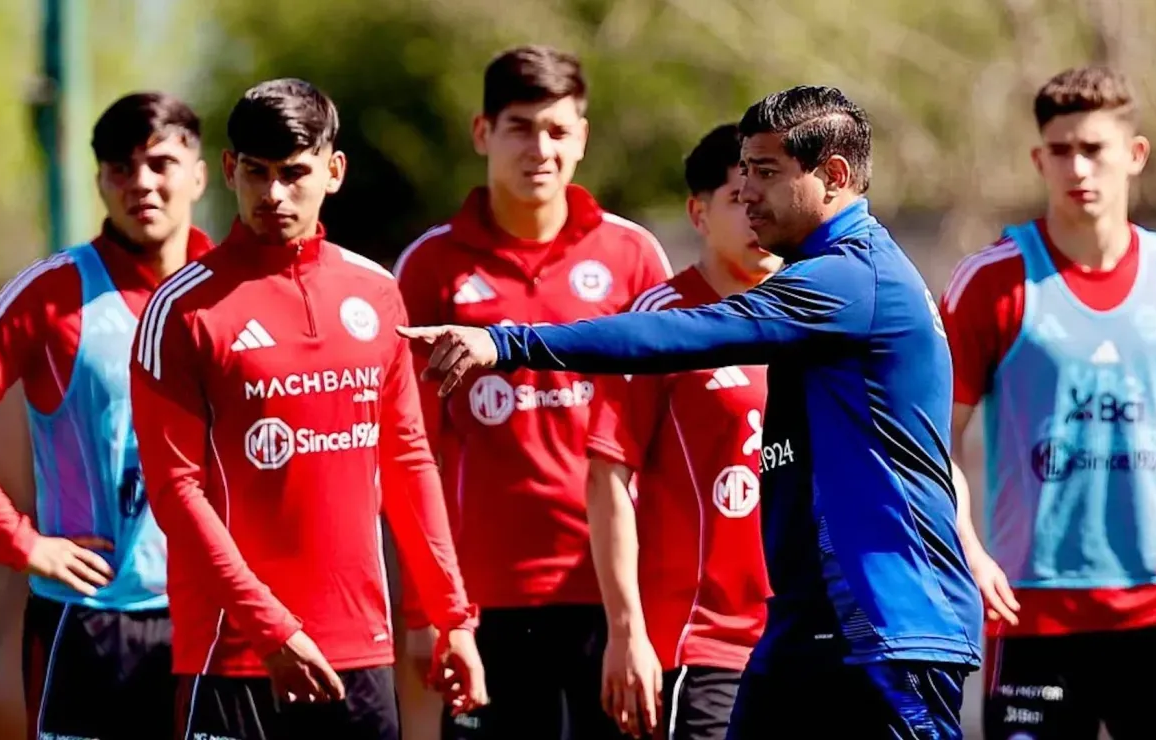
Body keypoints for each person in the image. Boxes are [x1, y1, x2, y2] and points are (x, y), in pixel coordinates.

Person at [399, 85, 984, 739]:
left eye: (765, 173)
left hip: (885, 626)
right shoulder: (827, 277)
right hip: (806, 624)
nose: (749, 191)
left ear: (835, 176)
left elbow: (685, 334)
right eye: (742, 174)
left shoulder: (851, 279)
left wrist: (507, 341)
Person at [128, 78, 487, 740]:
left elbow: (408, 461)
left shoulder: (376, 292)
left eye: (294, 174)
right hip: (235, 657)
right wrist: (270, 630)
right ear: (230, 170)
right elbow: (177, 492)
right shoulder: (180, 311)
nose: (273, 195)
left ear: (334, 170)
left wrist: (451, 618)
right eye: (257, 174)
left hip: (361, 654)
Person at [392, 45, 672, 739]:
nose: (539, 148)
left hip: (611, 598)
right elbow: (409, 450)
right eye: (520, 127)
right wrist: (429, 610)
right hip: (482, 603)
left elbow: (666, 444)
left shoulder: (633, 257)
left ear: (581, 137)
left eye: (557, 129)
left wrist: (644, 611)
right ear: (483, 133)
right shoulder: (430, 265)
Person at [0, 92, 211, 740]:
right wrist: (18, 540)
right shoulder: (54, 293)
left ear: (200, 173)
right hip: (89, 622)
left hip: (215, 619)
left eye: (160, 162)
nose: (142, 183)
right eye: (120, 168)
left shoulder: (235, 293)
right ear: (100, 179)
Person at [941, 66, 1156, 739]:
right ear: (1039, 159)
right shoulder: (994, 281)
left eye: (1094, 148)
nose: (1078, 167)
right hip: (1032, 616)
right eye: (1061, 151)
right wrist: (969, 551)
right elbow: (931, 441)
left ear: (1134, 155)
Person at [586, 124, 776, 739]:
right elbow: (607, 475)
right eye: (738, 199)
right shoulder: (662, 321)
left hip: (799, 638)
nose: (757, 214)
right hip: (700, 644)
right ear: (698, 212)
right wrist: (626, 631)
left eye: (766, 195)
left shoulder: (815, 316)